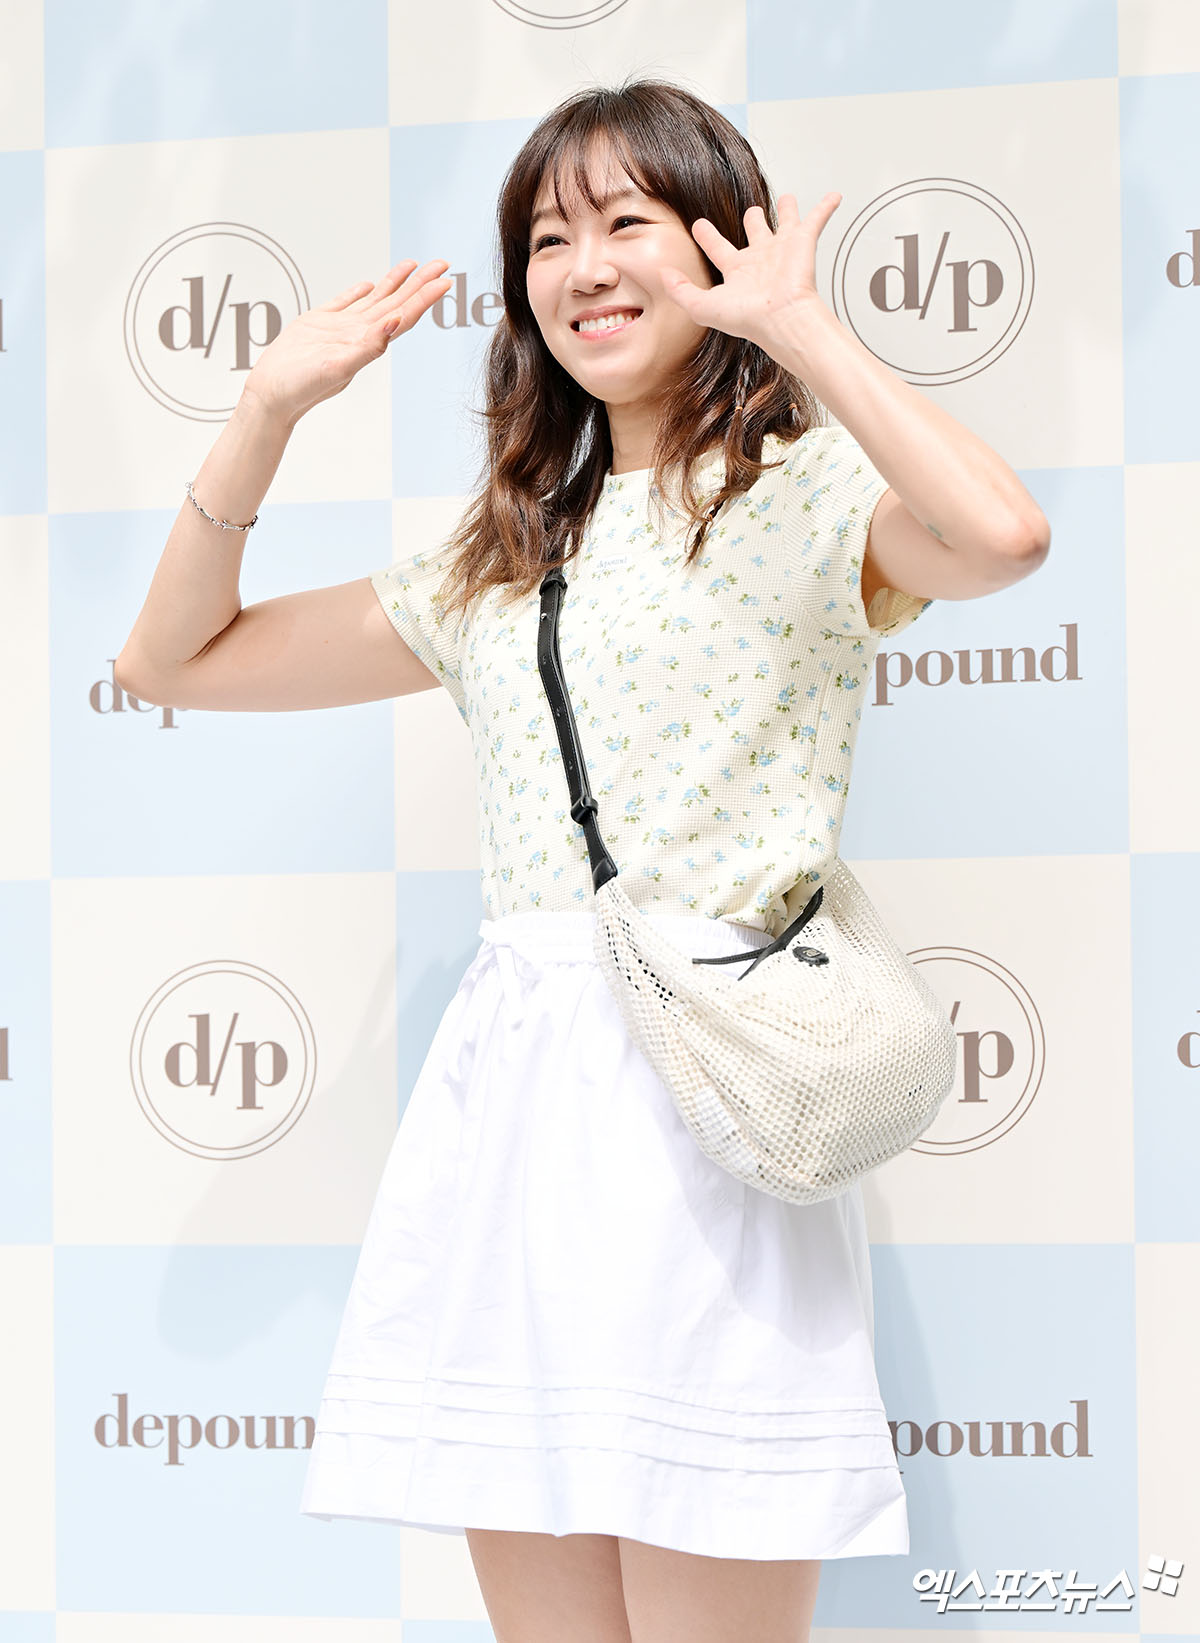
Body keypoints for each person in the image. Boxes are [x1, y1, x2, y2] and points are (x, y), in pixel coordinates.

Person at [116, 75, 1050, 1643]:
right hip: (521, 1108)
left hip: (715, 1094)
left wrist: (804, 329)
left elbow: (1005, 537)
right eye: (549, 238)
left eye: (626, 221)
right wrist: (266, 410)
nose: (585, 267)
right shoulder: (500, 556)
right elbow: (171, 662)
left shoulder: (805, 499)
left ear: (721, 240)